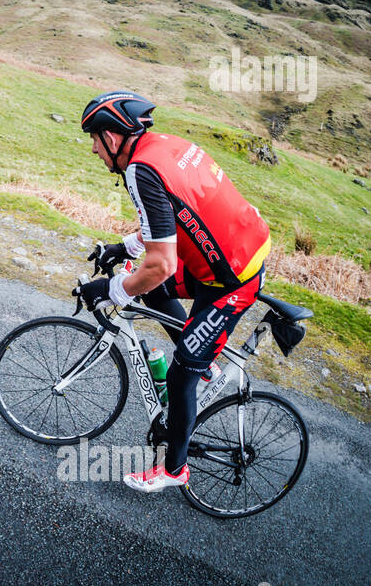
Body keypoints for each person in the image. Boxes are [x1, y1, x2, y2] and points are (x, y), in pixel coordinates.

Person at [75, 91, 271, 491]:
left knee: (182, 373)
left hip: (232, 278)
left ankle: (174, 468)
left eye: (94, 139)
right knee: (152, 288)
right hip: (231, 253)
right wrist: (122, 249)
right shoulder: (164, 146)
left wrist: (110, 289)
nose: (94, 149)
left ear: (113, 138)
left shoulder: (139, 170)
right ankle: (207, 362)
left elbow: (161, 262)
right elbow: (174, 218)